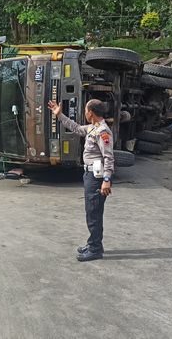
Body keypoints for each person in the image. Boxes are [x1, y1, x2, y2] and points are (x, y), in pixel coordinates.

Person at [47, 99, 114, 262]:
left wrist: (106, 180)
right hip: (89, 175)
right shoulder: (93, 128)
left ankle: (95, 249)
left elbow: (109, 157)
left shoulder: (103, 131)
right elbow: (76, 128)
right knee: (92, 212)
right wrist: (60, 115)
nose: (84, 112)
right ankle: (93, 243)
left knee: (94, 213)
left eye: (85, 109)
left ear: (91, 112)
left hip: (97, 178)